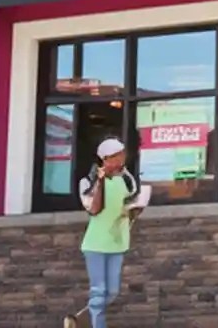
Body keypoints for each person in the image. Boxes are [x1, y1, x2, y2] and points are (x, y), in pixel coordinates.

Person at [73, 137, 142, 328]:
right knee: (98, 290)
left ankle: (83, 319)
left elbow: (129, 204)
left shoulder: (127, 180)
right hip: (95, 244)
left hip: (118, 242)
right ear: (105, 159)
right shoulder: (87, 182)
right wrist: (101, 182)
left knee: (112, 292)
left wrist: (134, 210)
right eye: (116, 156)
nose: (121, 160)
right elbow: (94, 209)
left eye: (122, 155)